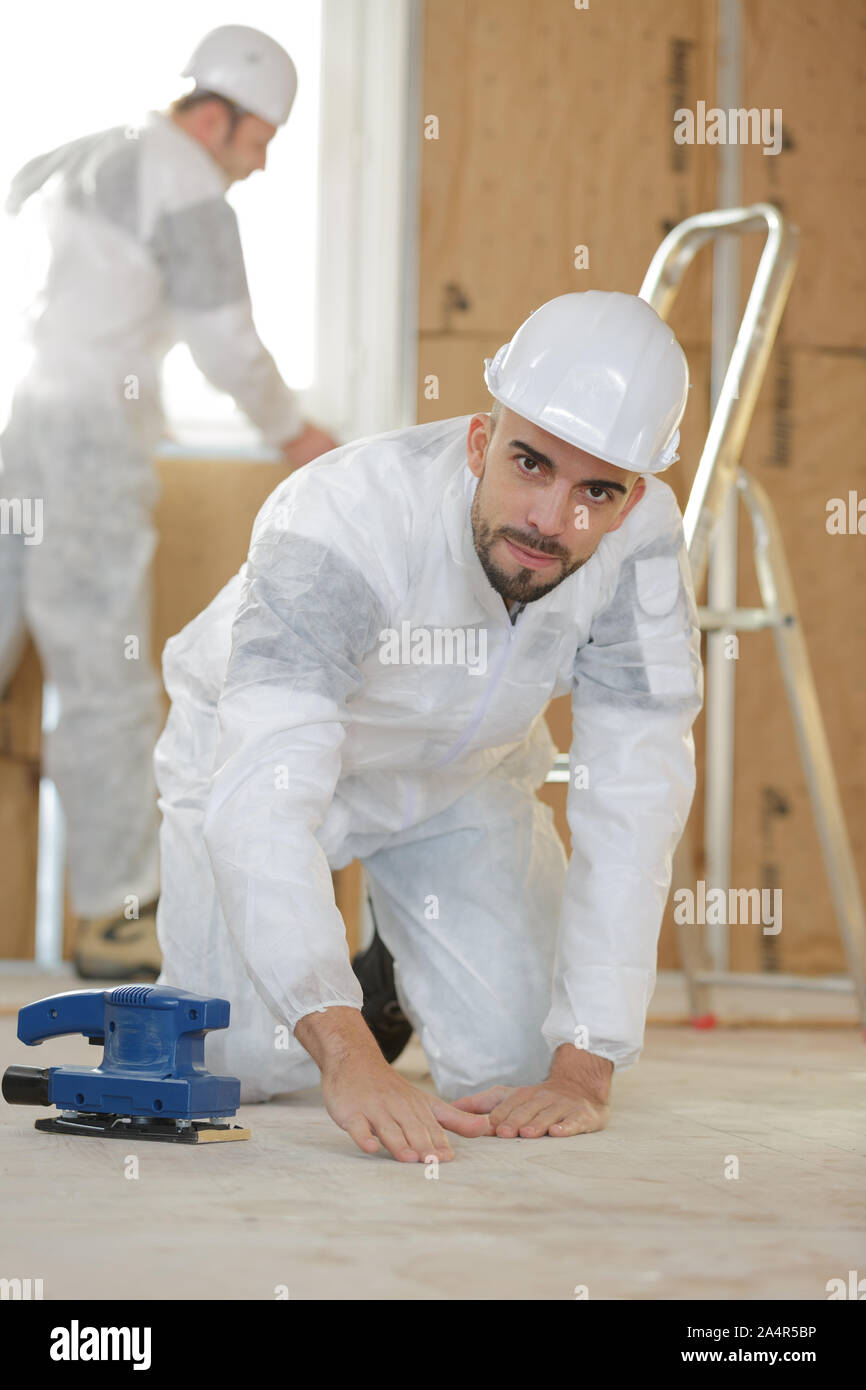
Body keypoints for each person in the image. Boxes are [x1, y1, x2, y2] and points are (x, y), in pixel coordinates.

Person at [154, 290, 704, 1163]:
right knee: (244, 1063)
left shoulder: (642, 549)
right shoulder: (340, 517)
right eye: (531, 465)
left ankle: (376, 973)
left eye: (597, 490)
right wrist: (347, 1055)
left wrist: (585, 1065)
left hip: (464, 777)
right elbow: (265, 796)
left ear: (634, 498)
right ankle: (351, 992)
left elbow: (636, 793)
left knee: (518, 1066)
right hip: (267, 755)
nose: (553, 521)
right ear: (482, 443)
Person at [0, 26, 336, 979]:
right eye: (260, 139)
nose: (261, 164)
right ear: (217, 115)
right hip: (89, 443)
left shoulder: (95, 154)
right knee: (104, 681)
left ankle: (110, 906)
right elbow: (225, 339)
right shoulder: (185, 180)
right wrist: (296, 435)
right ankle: (114, 915)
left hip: (25, 425)